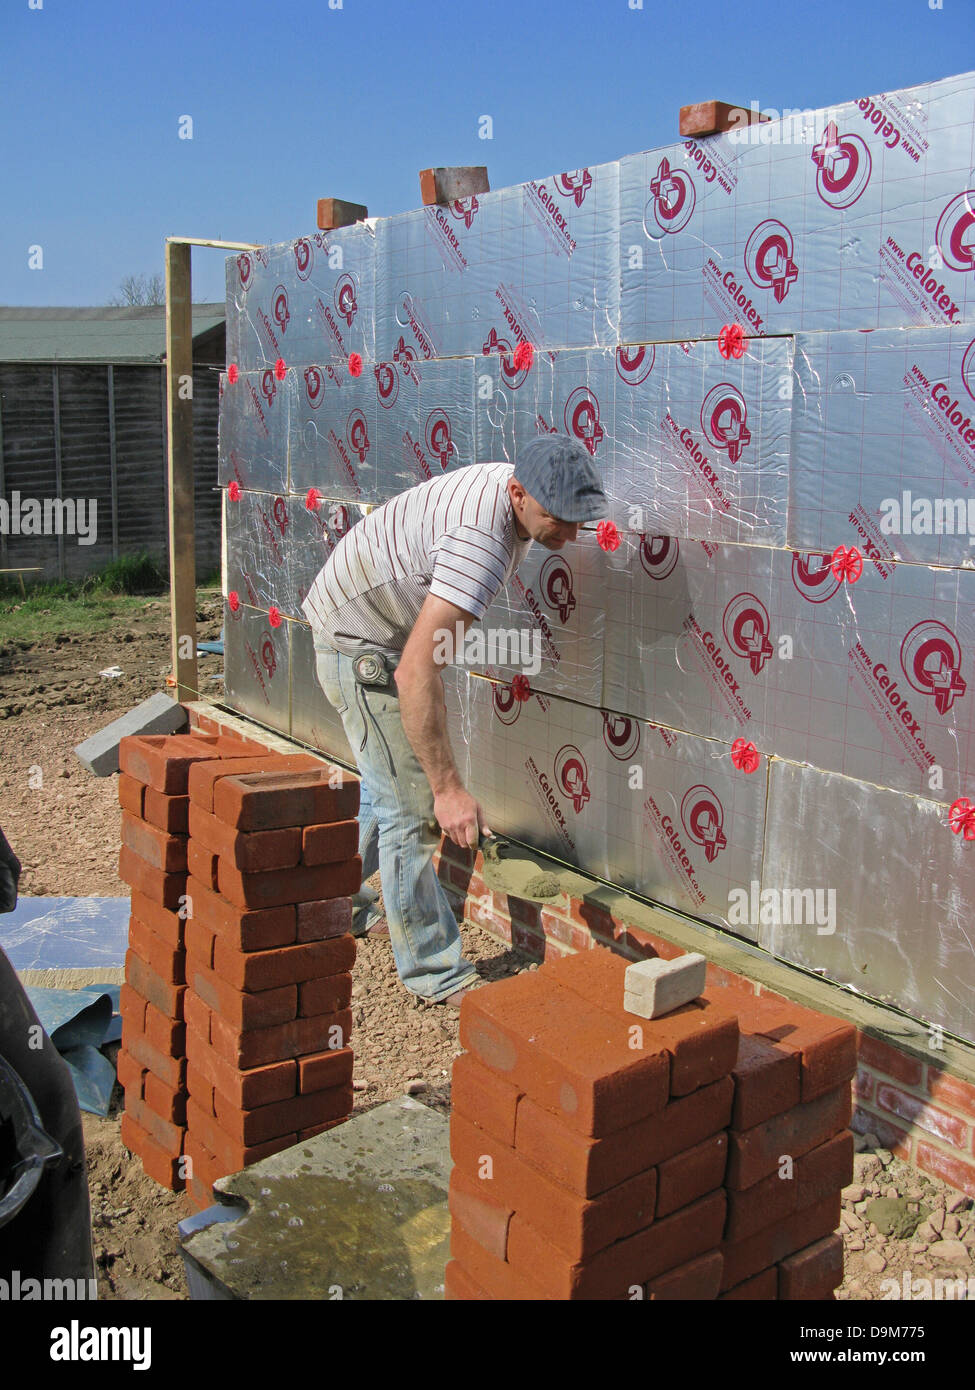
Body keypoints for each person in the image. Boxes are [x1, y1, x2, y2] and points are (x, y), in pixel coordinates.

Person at [302, 434, 609, 1006]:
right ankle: (433, 971)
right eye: (559, 520)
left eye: (579, 521)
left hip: (363, 620)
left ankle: (329, 902)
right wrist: (448, 790)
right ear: (518, 494)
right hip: (358, 644)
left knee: (383, 789)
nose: (570, 536)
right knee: (412, 807)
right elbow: (416, 674)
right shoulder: (482, 546)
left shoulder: (508, 486)